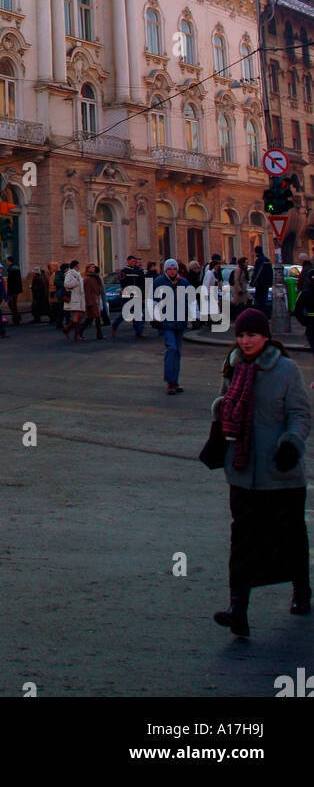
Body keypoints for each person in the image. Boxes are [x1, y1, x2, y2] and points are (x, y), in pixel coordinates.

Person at [210, 307, 311, 638]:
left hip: (280, 473)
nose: (245, 341)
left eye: (251, 335)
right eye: (240, 335)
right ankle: (238, 607)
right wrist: (219, 417)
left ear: (266, 336)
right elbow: (226, 405)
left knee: (291, 537)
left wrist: (290, 443)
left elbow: (299, 413)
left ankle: (301, 591)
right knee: (242, 540)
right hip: (241, 472)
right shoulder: (234, 366)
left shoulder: (286, 369)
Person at [152, 258, 193, 394]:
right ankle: (170, 382)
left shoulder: (183, 282)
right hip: (166, 321)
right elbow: (152, 300)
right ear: (165, 270)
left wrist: (196, 315)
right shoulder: (159, 282)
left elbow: (191, 300)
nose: (172, 271)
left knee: (178, 352)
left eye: (174, 269)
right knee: (172, 348)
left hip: (180, 321)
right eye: (169, 269)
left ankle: (175, 381)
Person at [114, 253, 146, 339]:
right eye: (132, 261)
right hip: (128, 295)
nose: (134, 263)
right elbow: (123, 284)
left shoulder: (138, 271)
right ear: (128, 261)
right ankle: (114, 326)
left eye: (135, 262)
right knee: (125, 314)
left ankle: (139, 332)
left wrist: (143, 296)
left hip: (137, 294)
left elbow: (142, 284)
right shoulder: (124, 271)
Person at [62, 261, 85, 340]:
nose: (79, 267)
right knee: (76, 316)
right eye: (78, 266)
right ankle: (76, 335)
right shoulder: (70, 274)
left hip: (79, 298)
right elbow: (66, 284)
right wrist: (76, 281)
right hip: (74, 298)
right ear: (74, 266)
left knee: (80, 315)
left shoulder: (78, 274)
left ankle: (67, 329)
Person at [82, 263, 104, 340]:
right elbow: (87, 292)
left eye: (94, 267)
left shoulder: (95, 277)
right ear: (88, 269)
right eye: (92, 267)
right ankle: (99, 334)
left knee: (90, 318)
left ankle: (80, 332)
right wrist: (89, 302)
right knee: (96, 317)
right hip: (91, 300)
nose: (93, 268)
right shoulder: (87, 279)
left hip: (95, 299)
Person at [250, 247, 273, 317]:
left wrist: (253, 282)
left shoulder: (259, 260)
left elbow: (257, 272)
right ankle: (266, 315)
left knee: (259, 301)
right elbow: (271, 272)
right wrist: (270, 282)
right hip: (266, 284)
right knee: (264, 299)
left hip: (260, 284)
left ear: (256, 252)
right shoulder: (267, 260)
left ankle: (261, 315)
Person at [230, 256, 249, 322]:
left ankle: (240, 318)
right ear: (243, 263)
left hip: (243, 290)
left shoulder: (244, 270)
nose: (247, 264)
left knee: (242, 305)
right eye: (246, 262)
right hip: (239, 291)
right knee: (239, 305)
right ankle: (238, 318)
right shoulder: (239, 270)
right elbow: (236, 280)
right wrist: (239, 290)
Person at [6, 258, 22, 325]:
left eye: (7, 261)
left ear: (9, 261)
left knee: (12, 304)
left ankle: (16, 319)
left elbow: (11, 282)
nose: (6, 262)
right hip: (15, 289)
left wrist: (9, 291)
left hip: (13, 290)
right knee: (12, 304)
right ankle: (17, 317)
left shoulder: (12, 269)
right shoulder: (15, 268)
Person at [52, 263, 68, 328]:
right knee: (63, 308)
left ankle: (61, 322)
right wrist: (65, 284)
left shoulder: (60, 274)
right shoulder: (59, 274)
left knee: (63, 308)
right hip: (62, 294)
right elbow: (56, 282)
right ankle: (61, 322)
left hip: (63, 293)